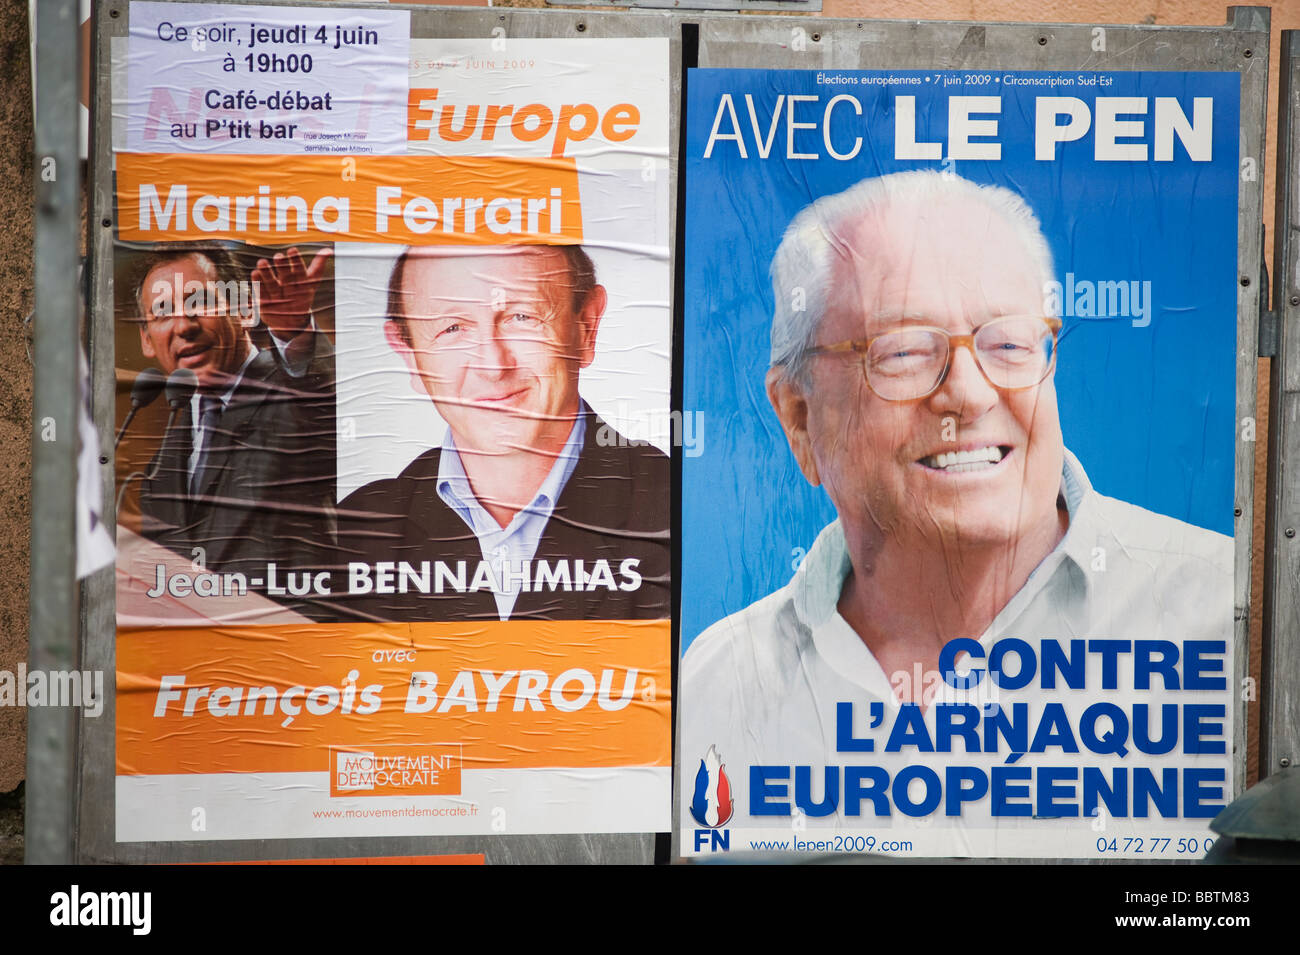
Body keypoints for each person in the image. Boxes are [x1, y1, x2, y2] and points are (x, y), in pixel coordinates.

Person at [681, 171, 1233, 834]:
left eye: (1008, 343)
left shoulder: (1223, 617)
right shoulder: (719, 684)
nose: (969, 395)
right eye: (906, 351)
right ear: (800, 418)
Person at [334, 244, 669, 622]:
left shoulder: (677, 508)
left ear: (585, 327)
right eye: (453, 328)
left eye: (521, 317)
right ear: (409, 353)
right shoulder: (355, 533)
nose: (493, 366)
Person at [130, 243, 336, 583]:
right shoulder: (159, 470)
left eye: (200, 302)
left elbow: (327, 408)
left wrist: (294, 333)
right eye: (163, 312)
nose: (183, 325)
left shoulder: (293, 394)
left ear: (244, 309)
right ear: (147, 339)